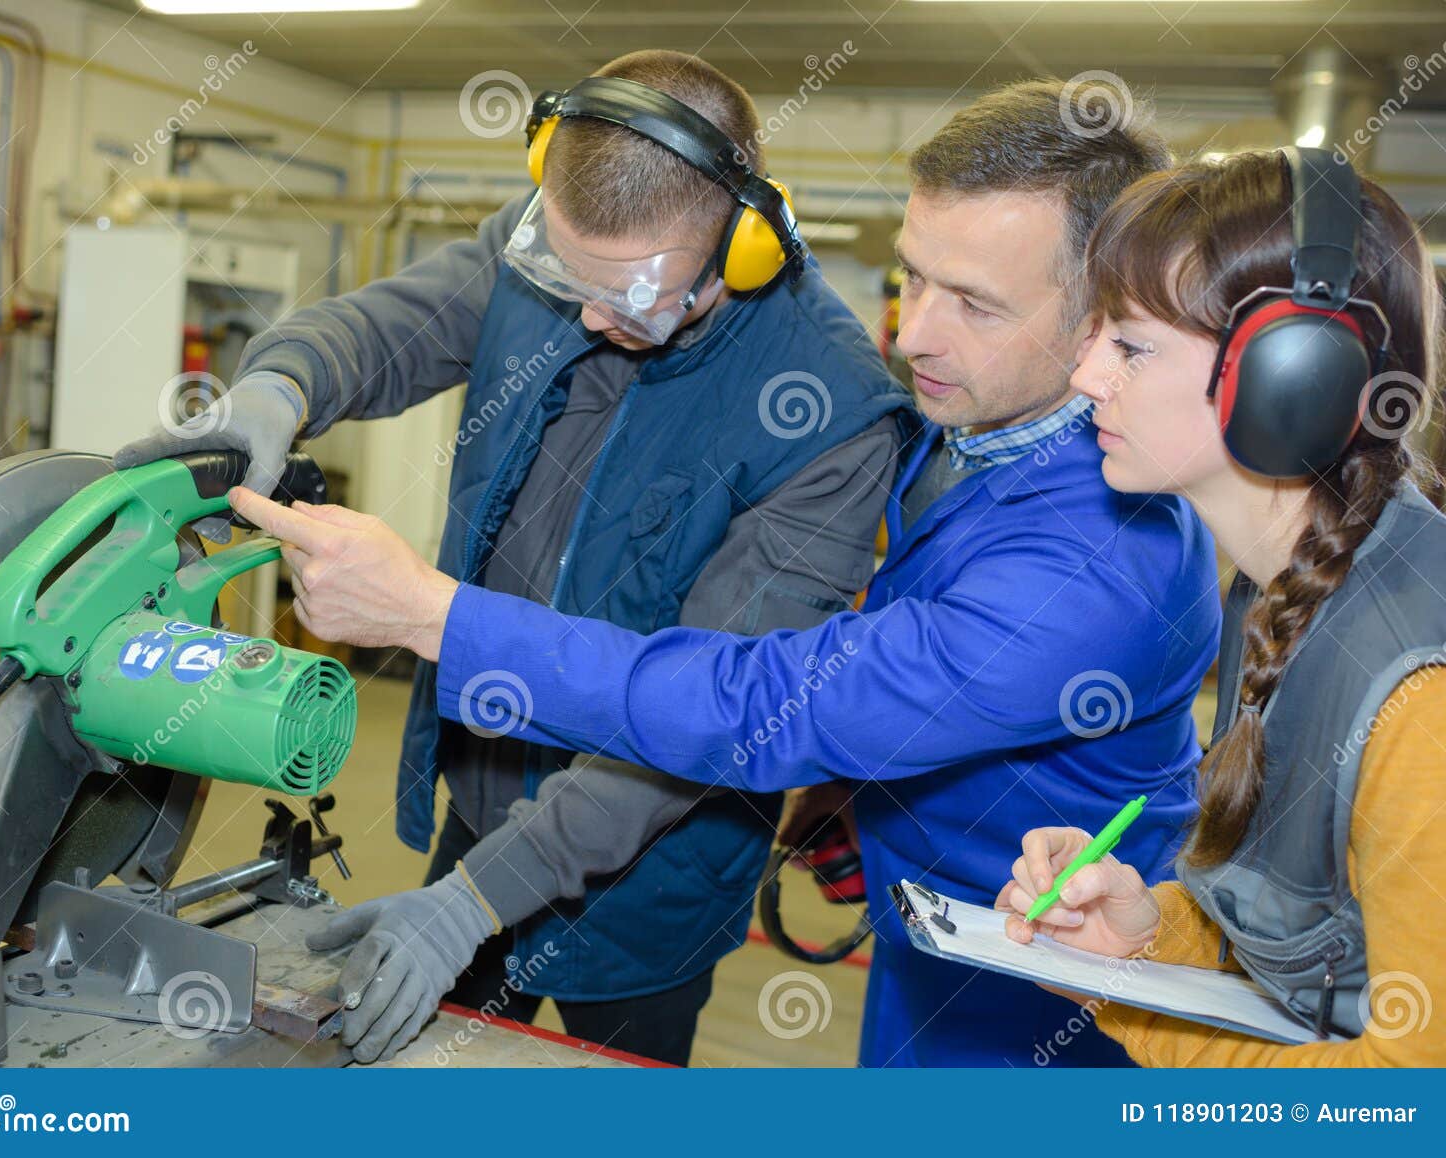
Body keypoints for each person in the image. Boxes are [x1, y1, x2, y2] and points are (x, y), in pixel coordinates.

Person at [226, 79, 1224, 1068]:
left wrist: (436, 616)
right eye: (911, 278)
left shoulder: (1093, 566)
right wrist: (275, 387)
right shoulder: (972, 421)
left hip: (1056, 984)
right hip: (936, 933)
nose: (912, 332)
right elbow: (900, 649)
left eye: (973, 302)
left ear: (1105, 306)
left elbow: (755, 701)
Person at [118, 50, 912, 1066]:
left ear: (742, 246)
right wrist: (276, 390)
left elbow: (706, 713)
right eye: (564, 277)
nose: (587, 315)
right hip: (486, 784)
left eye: (632, 294)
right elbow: (388, 329)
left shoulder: (831, 417)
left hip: (653, 879)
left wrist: (470, 906)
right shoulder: (542, 248)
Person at [998, 148, 1446, 1065]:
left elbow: (1412, 1097)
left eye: (1128, 343)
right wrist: (1140, 938)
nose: (1085, 377)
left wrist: (1147, 1021)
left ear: (1295, 375)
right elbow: (1321, 951)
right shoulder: (1287, 586)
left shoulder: (1420, 694)